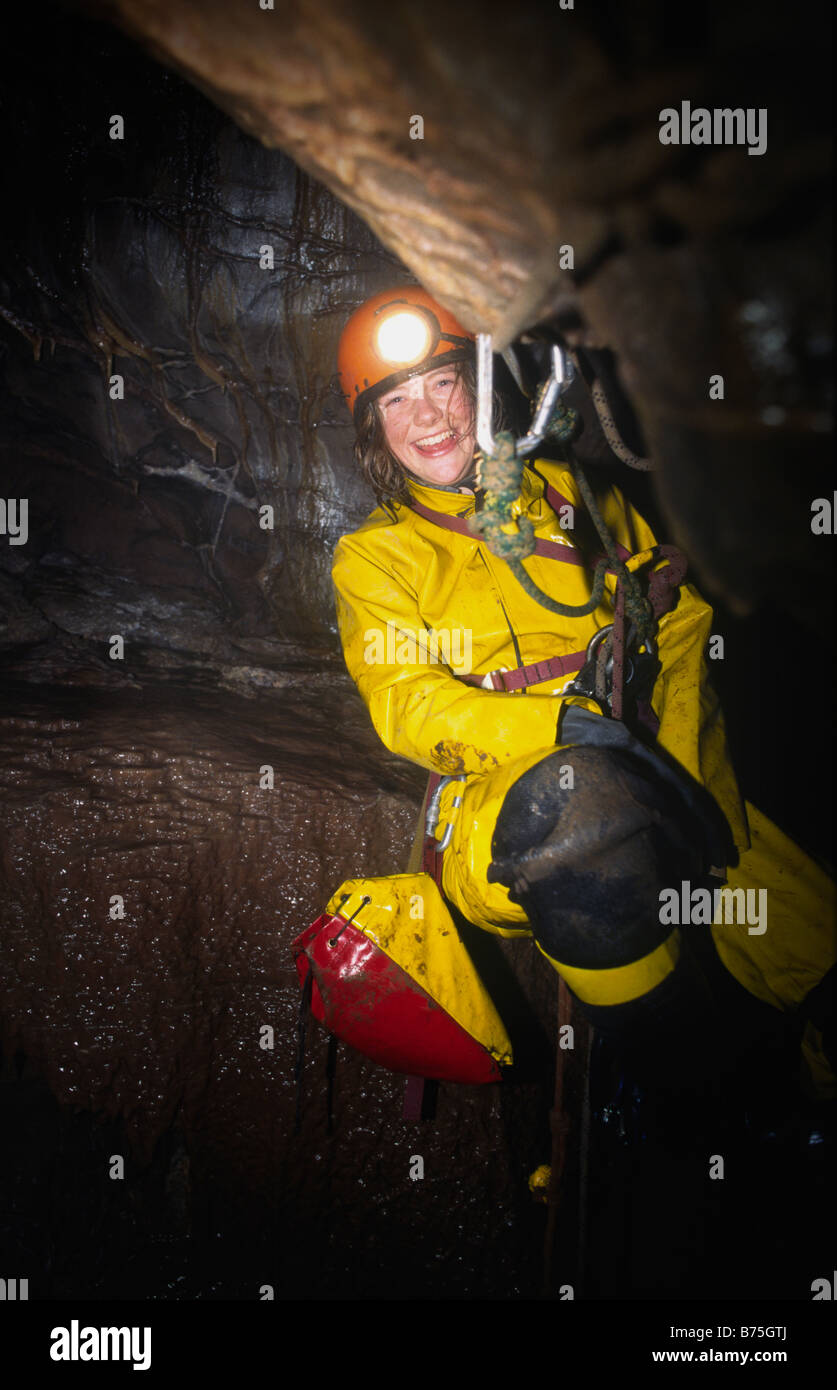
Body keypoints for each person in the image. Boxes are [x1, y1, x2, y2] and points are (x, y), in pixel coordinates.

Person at [331, 285, 835, 1108]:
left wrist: (689, 778)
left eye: (442, 383)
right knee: (581, 811)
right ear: (373, 429)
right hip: (502, 799)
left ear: (480, 387)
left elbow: (672, 636)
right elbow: (407, 704)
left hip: (655, 764)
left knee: (814, 947)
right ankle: (691, 1088)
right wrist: (554, 725)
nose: (426, 416)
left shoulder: (575, 496)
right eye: (395, 398)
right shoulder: (376, 558)